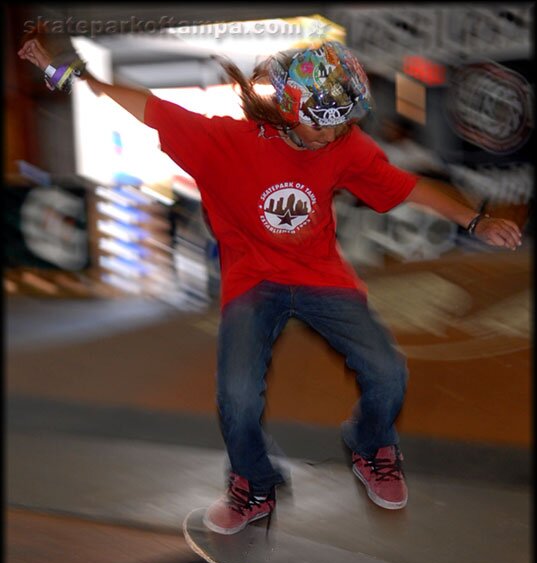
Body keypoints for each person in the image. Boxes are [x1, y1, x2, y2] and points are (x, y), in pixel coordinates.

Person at [19, 36, 523, 534]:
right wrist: (69, 73)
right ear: (287, 108)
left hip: (322, 277)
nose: (332, 136)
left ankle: (371, 445)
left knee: (388, 372)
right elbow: (148, 107)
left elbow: (405, 185)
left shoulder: (344, 144)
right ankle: (254, 485)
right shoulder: (223, 142)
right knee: (237, 396)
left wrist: (473, 220)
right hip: (253, 281)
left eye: (341, 125)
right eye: (320, 125)